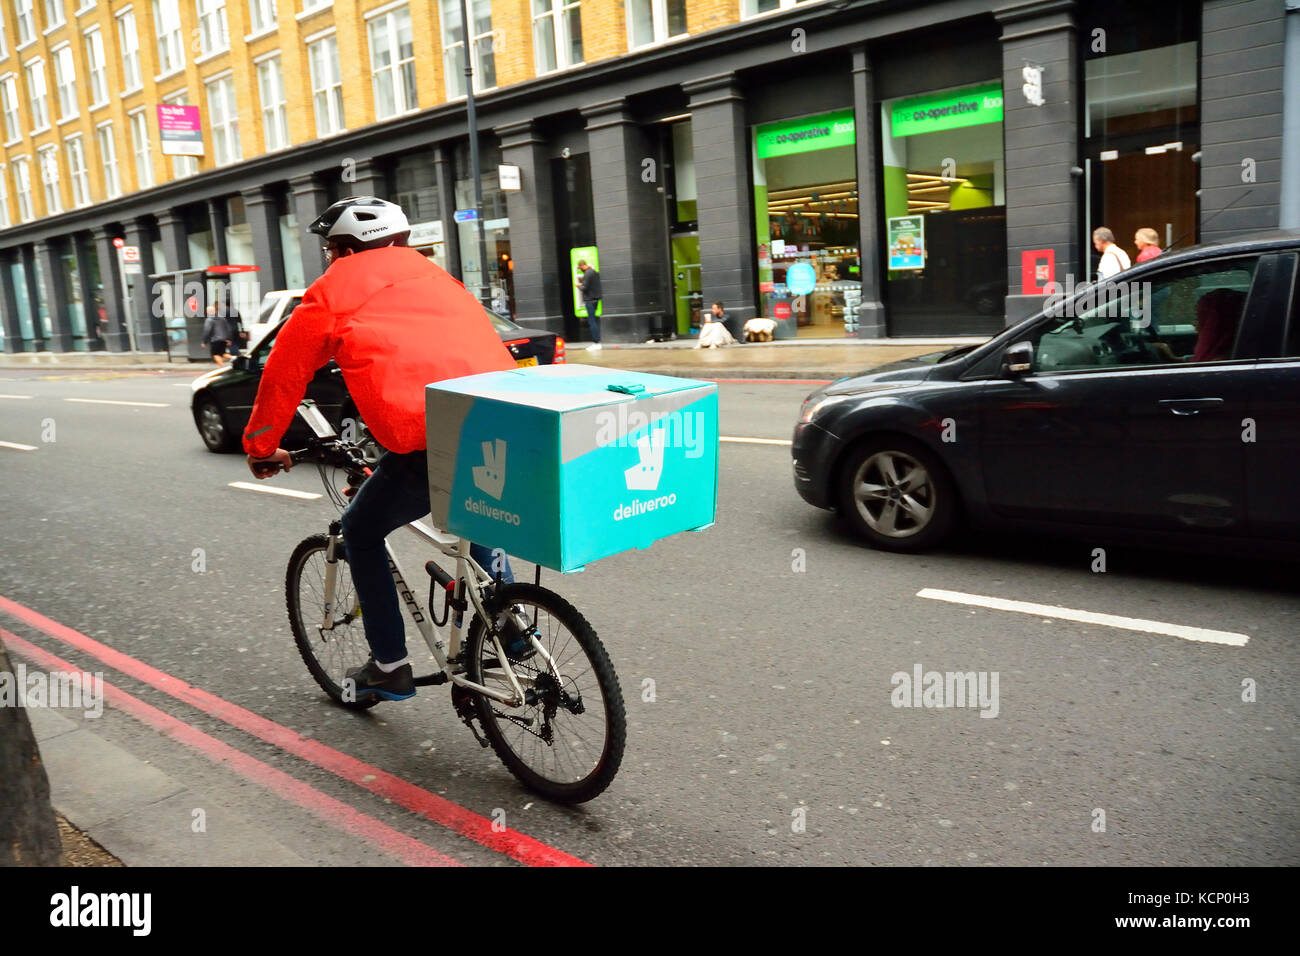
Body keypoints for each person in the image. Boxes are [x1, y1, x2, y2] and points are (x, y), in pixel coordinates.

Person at [242, 196, 522, 702]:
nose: (328, 259)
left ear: (346, 249)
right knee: (471, 510)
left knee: (361, 530)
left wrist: (263, 446)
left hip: (425, 436)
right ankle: (515, 630)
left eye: (330, 249)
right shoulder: (440, 279)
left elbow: (284, 372)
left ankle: (390, 665)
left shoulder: (333, 291)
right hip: (504, 418)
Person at [575, 260, 602, 351]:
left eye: (580, 268)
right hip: (595, 299)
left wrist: (578, 285)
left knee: (591, 321)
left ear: (582, 266)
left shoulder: (587, 274)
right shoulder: (594, 272)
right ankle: (597, 341)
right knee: (594, 320)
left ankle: (596, 343)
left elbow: (584, 288)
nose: (580, 270)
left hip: (589, 300)